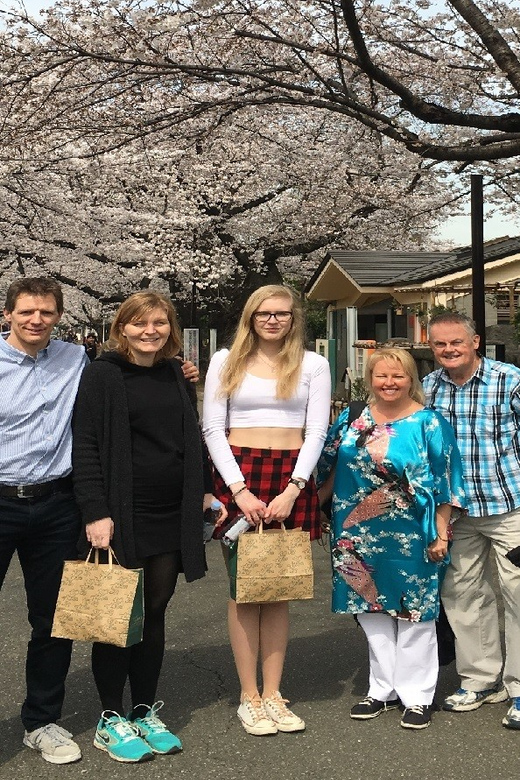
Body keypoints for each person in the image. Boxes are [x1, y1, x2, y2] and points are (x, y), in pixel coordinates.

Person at [72, 290, 222, 763]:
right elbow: (87, 444)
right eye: (139, 323)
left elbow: (190, 433)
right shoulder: (102, 374)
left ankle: (142, 711)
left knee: (154, 611)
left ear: (170, 329)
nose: (149, 331)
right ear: (122, 328)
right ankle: (109, 718)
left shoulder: (177, 373)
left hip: (170, 511)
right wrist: (96, 510)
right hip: (122, 510)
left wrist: (204, 487)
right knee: (118, 613)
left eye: (158, 323)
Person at [202, 284, 331, 736]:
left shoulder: (313, 364)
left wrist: (296, 488)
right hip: (240, 475)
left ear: (295, 319)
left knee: (279, 589)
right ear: (250, 316)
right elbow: (213, 428)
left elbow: (316, 430)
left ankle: (274, 693)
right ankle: (248, 696)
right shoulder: (224, 360)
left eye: (282, 313)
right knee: (245, 588)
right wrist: (238, 491)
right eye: (264, 313)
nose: (273, 320)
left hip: (290, 477)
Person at [317, 348, 465, 730]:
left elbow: (447, 481)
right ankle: (381, 689)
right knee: (371, 611)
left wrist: (441, 532)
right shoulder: (352, 419)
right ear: (370, 378)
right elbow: (329, 467)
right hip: (355, 533)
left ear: (411, 378)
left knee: (415, 613)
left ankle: (417, 696)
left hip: (413, 531)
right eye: (381, 375)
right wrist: (310, 511)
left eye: (398, 376)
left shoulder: (428, 423)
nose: (389, 383)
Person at [0, 277, 88, 764]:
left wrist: (175, 372)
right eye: (27, 311)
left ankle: (41, 720)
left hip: (57, 502)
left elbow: (124, 375)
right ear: (8, 313)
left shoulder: (75, 359)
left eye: (47, 313)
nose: (37, 320)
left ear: (58, 316)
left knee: (53, 619)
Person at [424, 311, 520, 730]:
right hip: (457, 512)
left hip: (509, 504)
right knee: (463, 594)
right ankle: (481, 679)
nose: (448, 350)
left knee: (518, 595)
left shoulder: (509, 380)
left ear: (475, 341)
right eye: (440, 344)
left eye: (456, 342)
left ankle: (519, 688)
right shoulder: (428, 388)